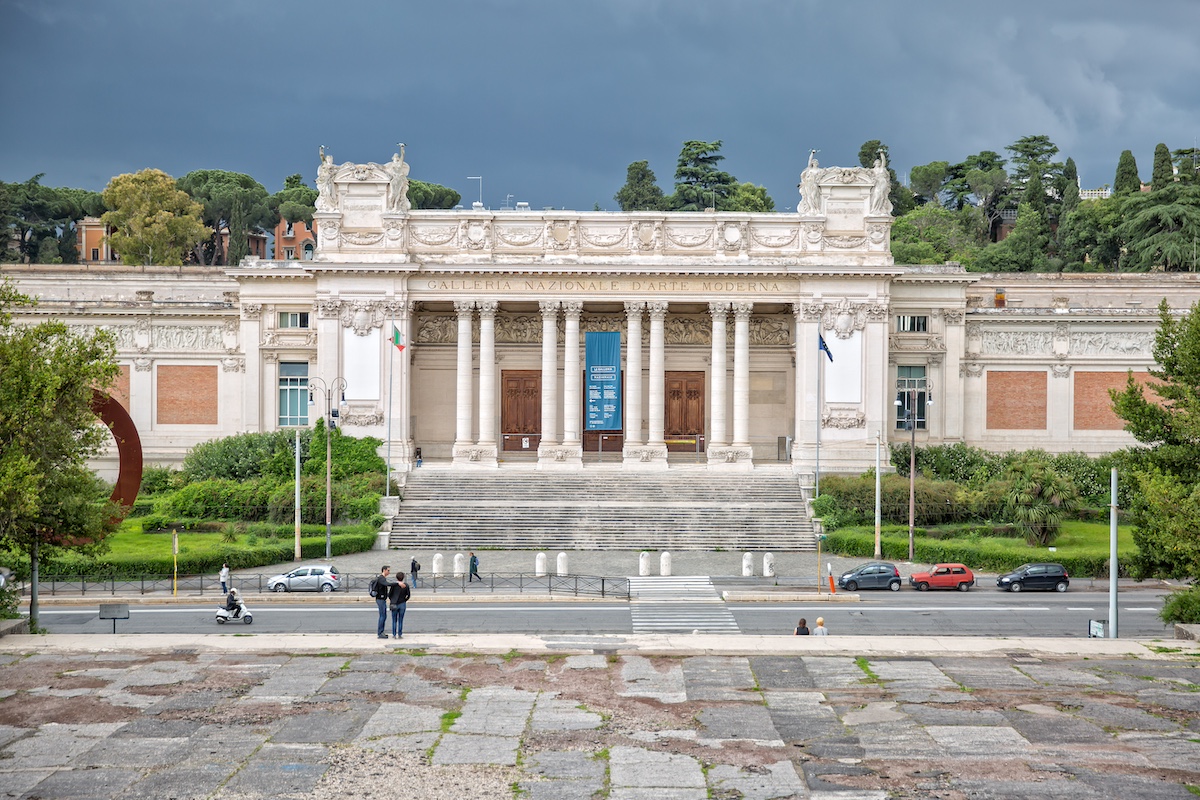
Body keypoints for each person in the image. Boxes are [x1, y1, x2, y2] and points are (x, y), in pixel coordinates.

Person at [388, 573, 411, 639]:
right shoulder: (406, 585)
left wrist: (392, 600)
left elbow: (389, 595)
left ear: (396, 577)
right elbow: (408, 595)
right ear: (403, 577)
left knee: (394, 620)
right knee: (400, 620)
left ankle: (394, 634)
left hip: (394, 603)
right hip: (402, 604)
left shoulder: (394, 585)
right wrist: (404, 600)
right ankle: (400, 634)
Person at [371, 566, 391, 639]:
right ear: (384, 570)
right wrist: (396, 584)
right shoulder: (381, 578)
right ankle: (380, 633)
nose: (389, 572)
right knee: (382, 616)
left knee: (383, 616)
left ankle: (381, 632)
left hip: (382, 599)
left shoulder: (381, 578)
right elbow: (387, 584)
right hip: (380, 599)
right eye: (388, 570)